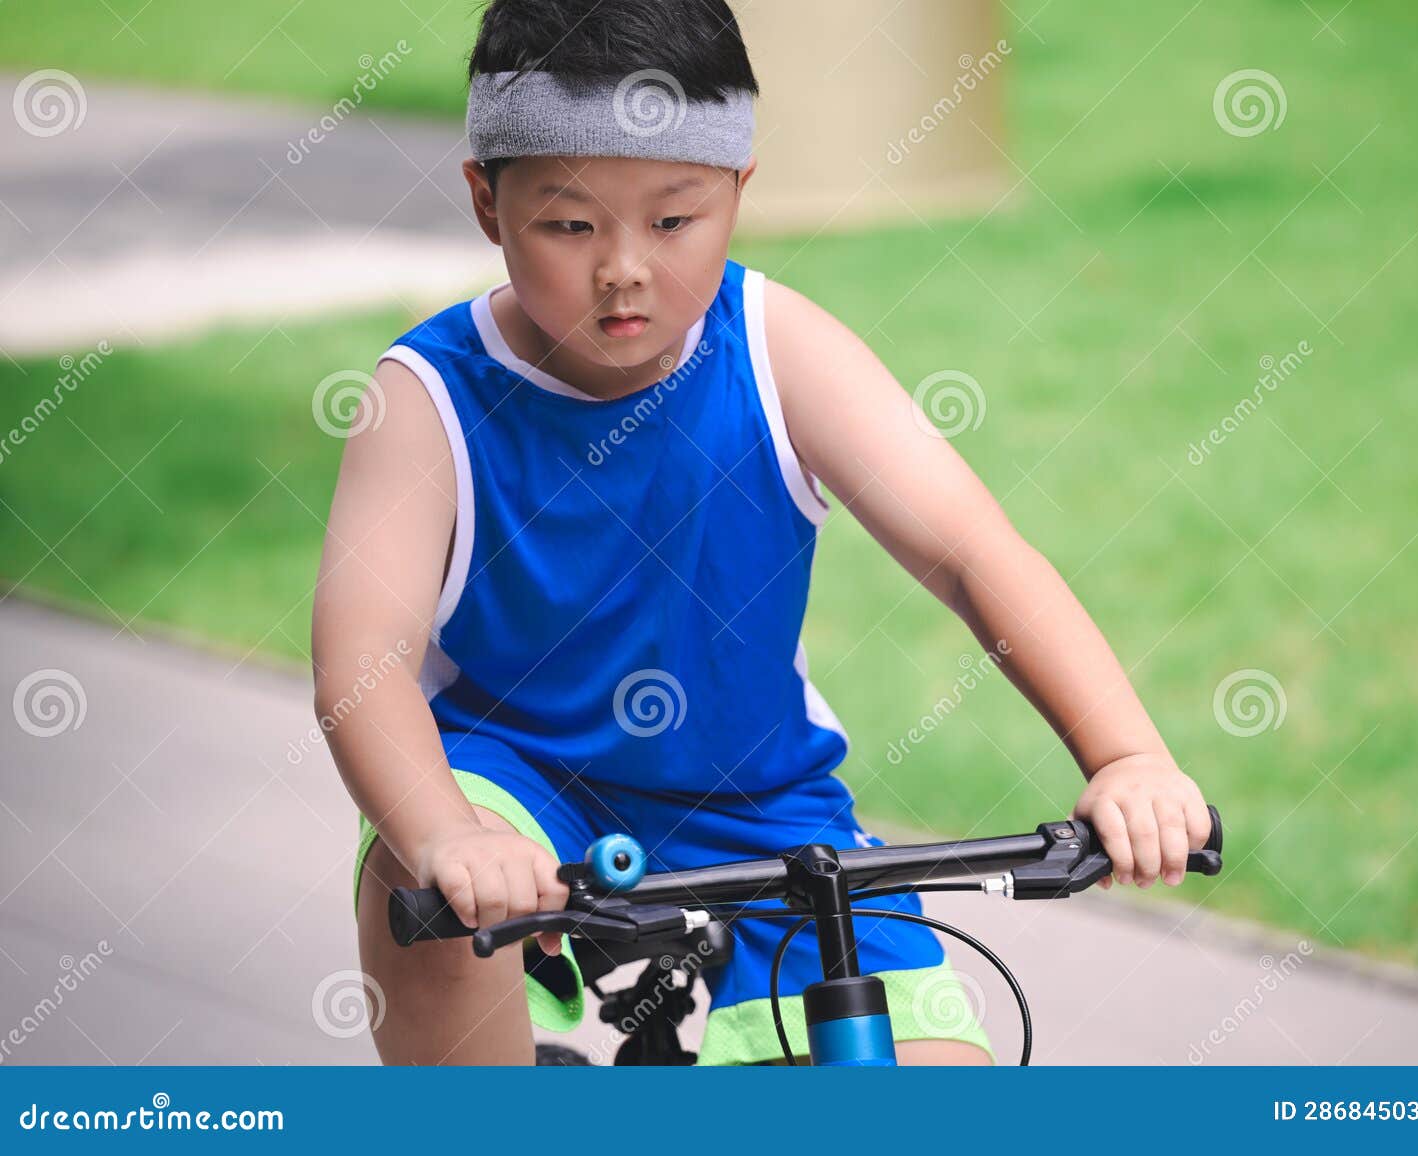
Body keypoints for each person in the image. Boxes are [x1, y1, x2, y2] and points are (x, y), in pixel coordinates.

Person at [312, 0, 1213, 1067]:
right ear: (484, 201)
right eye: (568, 224)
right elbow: (361, 656)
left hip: (758, 804)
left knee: (932, 1079)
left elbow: (974, 552)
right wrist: (444, 832)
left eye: (673, 219)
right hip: (513, 786)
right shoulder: (427, 398)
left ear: (737, 193)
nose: (623, 269)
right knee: (425, 901)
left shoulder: (779, 349)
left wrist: (1125, 755)